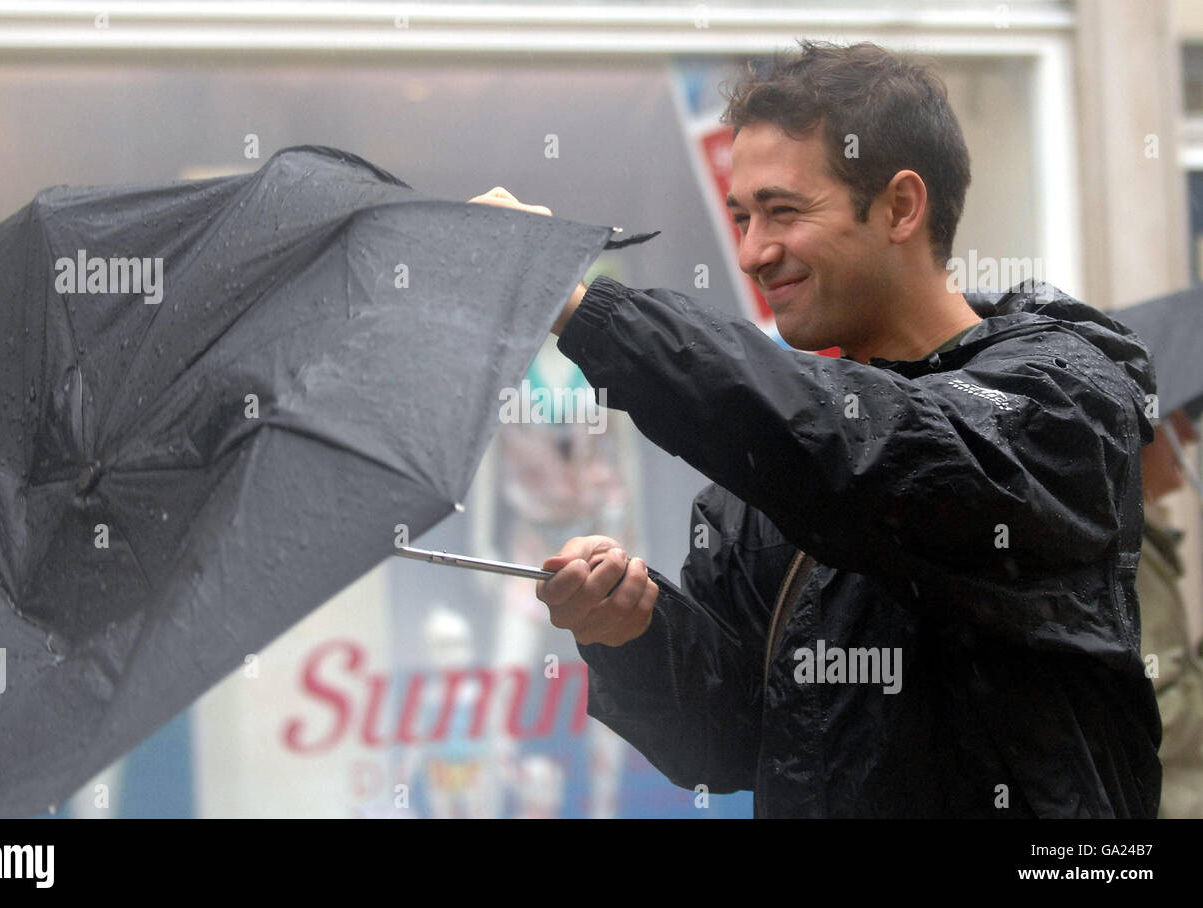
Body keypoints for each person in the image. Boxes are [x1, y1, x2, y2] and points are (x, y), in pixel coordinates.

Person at [471, 40, 1162, 817]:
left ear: (901, 206)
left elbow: (880, 456)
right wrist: (632, 628)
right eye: (740, 217)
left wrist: (580, 308)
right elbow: (725, 743)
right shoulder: (775, 453)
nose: (752, 253)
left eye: (783, 212)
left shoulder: (1059, 393)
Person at [1138, 409, 1203, 817]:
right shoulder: (1132, 551)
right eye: (1175, 419)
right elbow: (1158, 710)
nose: (1188, 435)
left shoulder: (1144, 534)